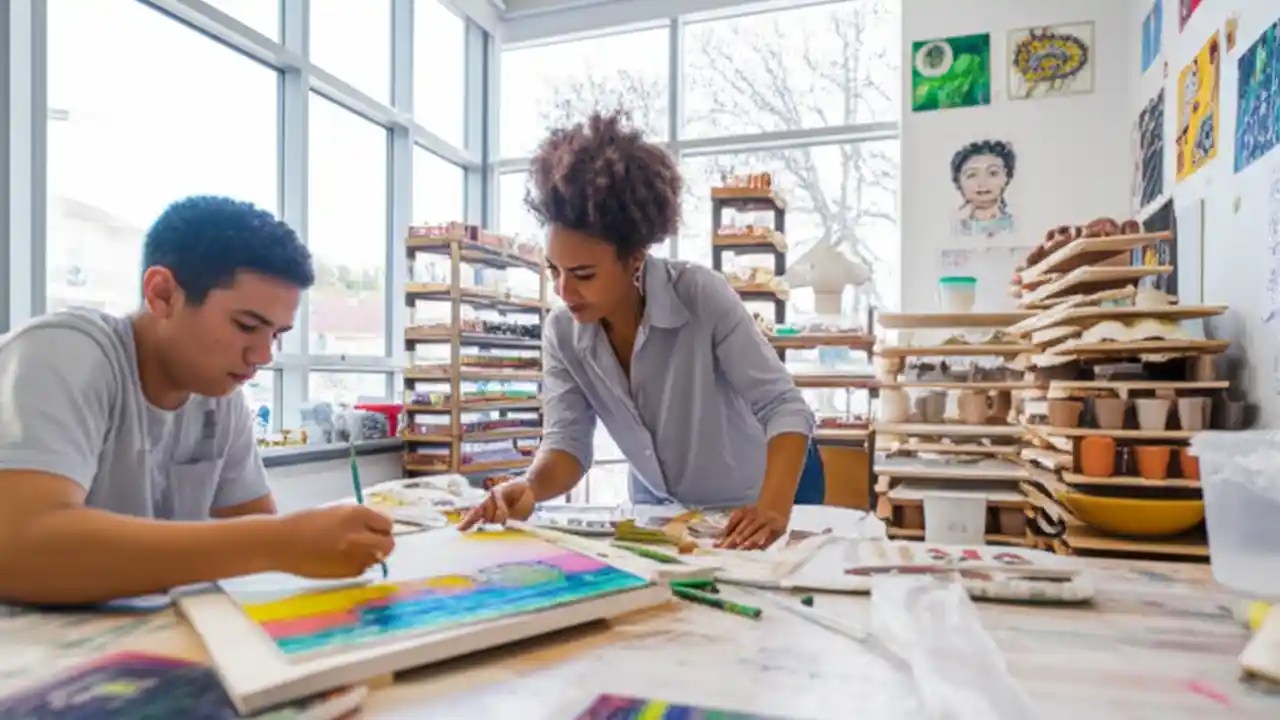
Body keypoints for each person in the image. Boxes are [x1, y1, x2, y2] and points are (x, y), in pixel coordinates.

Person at [0, 196, 394, 606]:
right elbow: (17, 547)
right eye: (246, 326)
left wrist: (309, 543)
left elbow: (256, 528)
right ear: (163, 294)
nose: (262, 356)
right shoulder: (64, 352)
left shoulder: (217, 396)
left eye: (275, 334)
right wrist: (282, 541)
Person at [460, 112, 821, 550]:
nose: (564, 290)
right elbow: (568, 444)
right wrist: (531, 486)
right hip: (659, 514)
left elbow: (784, 406)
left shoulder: (700, 295)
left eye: (584, 274)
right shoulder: (562, 332)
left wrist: (772, 508)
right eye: (554, 269)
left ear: (635, 259)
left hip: (746, 508)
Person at [950, 139, 1016, 238]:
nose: (982, 183)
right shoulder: (952, 229)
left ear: (1007, 177)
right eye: (972, 175)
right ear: (958, 181)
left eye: (992, 173)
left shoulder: (1017, 226)